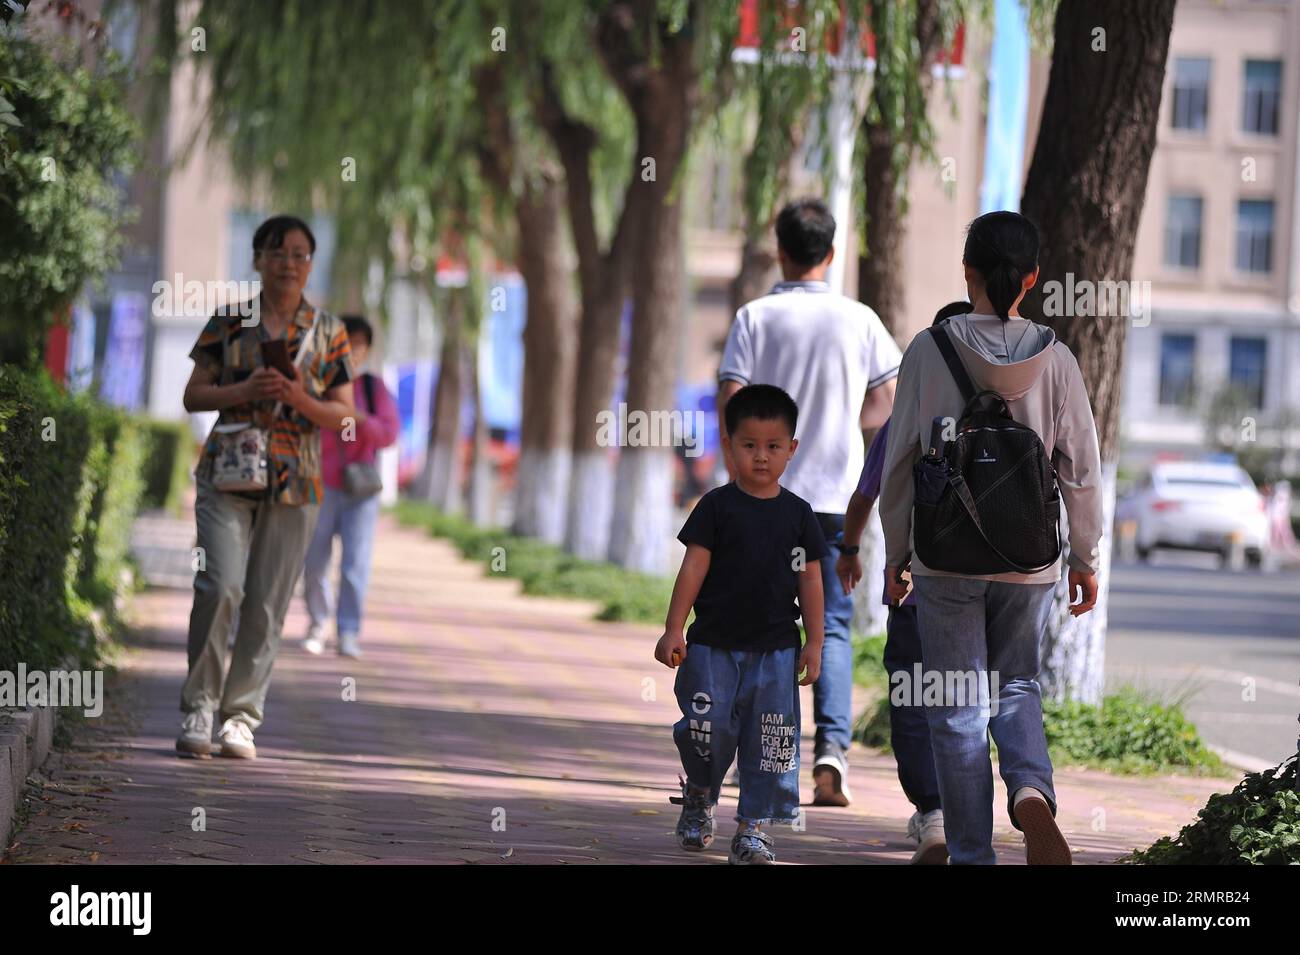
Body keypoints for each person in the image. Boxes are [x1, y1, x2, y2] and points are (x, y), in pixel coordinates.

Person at [878, 211, 1103, 864]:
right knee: (1016, 683)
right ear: (1031, 278)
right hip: (1028, 559)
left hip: (946, 556)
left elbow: (900, 461)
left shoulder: (929, 349)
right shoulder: (1056, 359)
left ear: (967, 272)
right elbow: (1081, 468)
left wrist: (896, 554)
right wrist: (1085, 557)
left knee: (954, 706)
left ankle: (972, 854)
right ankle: (1031, 790)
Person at [718, 197, 901, 806]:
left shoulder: (754, 317)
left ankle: (759, 759)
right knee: (836, 627)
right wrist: (847, 420)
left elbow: (732, 401)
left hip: (764, 496)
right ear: (831, 250)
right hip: (834, 497)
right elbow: (889, 401)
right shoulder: (861, 320)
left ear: (780, 248)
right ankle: (831, 755)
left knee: (762, 626)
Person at [176, 215, 356, 760]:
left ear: (310, 264)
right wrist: (243, 389)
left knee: (268, 604)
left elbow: (344, 416)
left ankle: (240, 719)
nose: (288, 263)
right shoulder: (229, 321)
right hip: (228, 473)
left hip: (295, 483)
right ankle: (199, 708)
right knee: (220, 585)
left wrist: (300, 399)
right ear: (257, 259)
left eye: (300, 254)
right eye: (277, 252)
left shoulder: (329, 333)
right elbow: (193, 395)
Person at [656, 384, 827, 864]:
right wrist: (674, 628)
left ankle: (753, 827)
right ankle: (699, 796)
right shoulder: (716, 506)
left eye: (773, 447)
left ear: (791, 449)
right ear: (729, 446)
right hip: (712, 647)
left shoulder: (798, 516)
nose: (760, 457)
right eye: (749, 445)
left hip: (776, 652)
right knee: (705, 728)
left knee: (771, 739)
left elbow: (811, 580)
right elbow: (693, 567)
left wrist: (814, 642)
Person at [836, 301, 973, 864]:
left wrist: (851, 551)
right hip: (995, 589)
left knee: (914, 696)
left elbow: (870, 493)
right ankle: (1004, 797)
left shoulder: (909, 414)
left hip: (918, 583)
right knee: (975, 697)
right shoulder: (1017, 404)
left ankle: (936, 814)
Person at [301, 315, 400, 657]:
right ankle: (317, 622)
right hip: (320, 484)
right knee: (314, 561)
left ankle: (348, 631)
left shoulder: (373, 388)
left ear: (368, 349)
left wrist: (360, 420)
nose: (352, 351)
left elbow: (389, 433)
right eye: (346, 343)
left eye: (359, 344)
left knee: (355, 564)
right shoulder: (315, 384)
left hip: (360, 489)